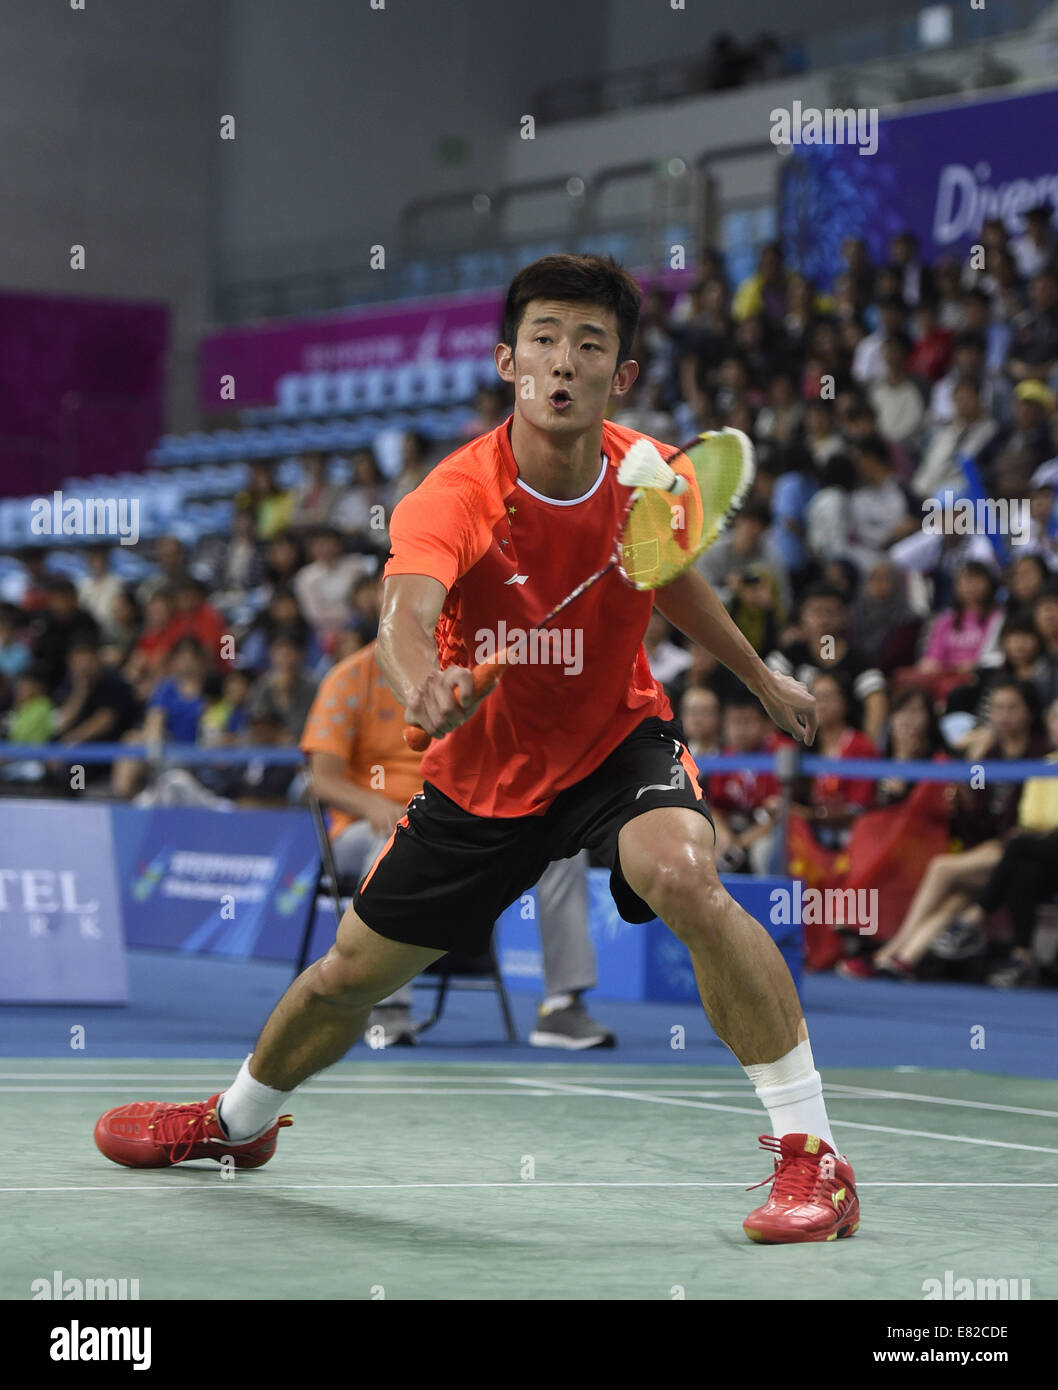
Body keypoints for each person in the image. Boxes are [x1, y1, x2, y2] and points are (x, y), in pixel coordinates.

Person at [94, 251, 857, 1248]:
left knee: (681, 872)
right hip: (483, 777)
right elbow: (400, 614)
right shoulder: (452, 493)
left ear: (620, 375)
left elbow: (666, 577)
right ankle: (232, 1124)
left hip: (614, 740)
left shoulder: (648, 475)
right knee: (345, 979)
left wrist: (762, 677)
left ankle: (814, 1157)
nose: (563, 360)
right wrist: (425, 686)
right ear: (507, 360)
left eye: (590, 344)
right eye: (542, 338)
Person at [301, 639, 614, 1048]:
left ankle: (562, 1005)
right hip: (366, 825)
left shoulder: (471, 670)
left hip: (459, 814)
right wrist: (375, 804)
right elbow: (321, 780)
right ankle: (388, 1007)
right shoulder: (349, 679)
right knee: (389, 836)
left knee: (563, 850)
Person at [871, 679, 1048, 977]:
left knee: (941, 868)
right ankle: (905, 958)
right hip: (986, 851)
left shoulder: (1041, 754)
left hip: (1021, 851)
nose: (1003, 715)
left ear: (1029, 712)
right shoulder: (989, 756)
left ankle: (893, 945)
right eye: (997, 708)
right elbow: (977, 817)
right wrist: (967, 788)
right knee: (955, 898)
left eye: (1012, 707)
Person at [943, 697, 1058, 988]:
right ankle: (1024, 959)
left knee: (1019, 847)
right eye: (1056, 717)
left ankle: (976, 916)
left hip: (1044, 844)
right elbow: (1031, 816)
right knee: (1025, 869)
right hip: (1044, 849)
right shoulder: (1046, 764)